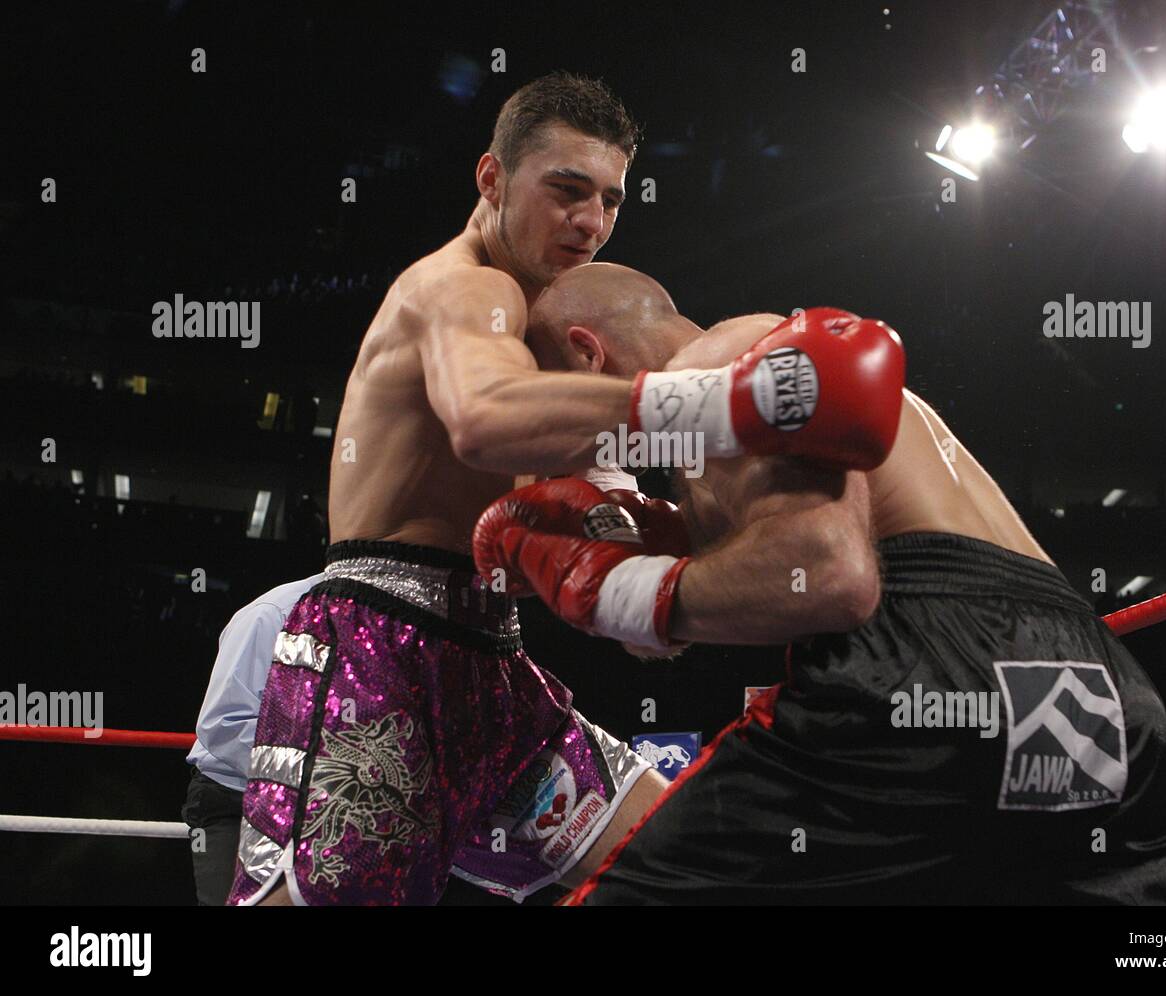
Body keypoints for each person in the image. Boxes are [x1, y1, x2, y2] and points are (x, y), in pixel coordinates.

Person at [227, 72, 887, 906]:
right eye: (566, 191)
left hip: (493, 668)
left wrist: (649, 573)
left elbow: (563, 492)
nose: (591, 223)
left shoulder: (545, 327)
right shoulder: (464, 288)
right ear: (492, 179)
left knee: (680, 870)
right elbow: (484, 416)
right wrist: (733, 405)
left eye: (610, 200)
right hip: (378, 654)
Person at [476, 262, 1166, 905]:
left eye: (544, 403)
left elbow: (829, 575)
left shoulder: (724, 361)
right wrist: (635, 554)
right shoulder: (737, 427)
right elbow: (739, 593)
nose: (551, 456)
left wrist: (614, 590)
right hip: (1091, 686)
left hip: (925, 667)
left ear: (584, 358)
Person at [183, 573, 325, 905]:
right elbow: (223, 723)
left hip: (320, 805)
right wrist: (315, 773)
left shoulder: (378, 625)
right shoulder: (273, 612)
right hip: (236, 797)